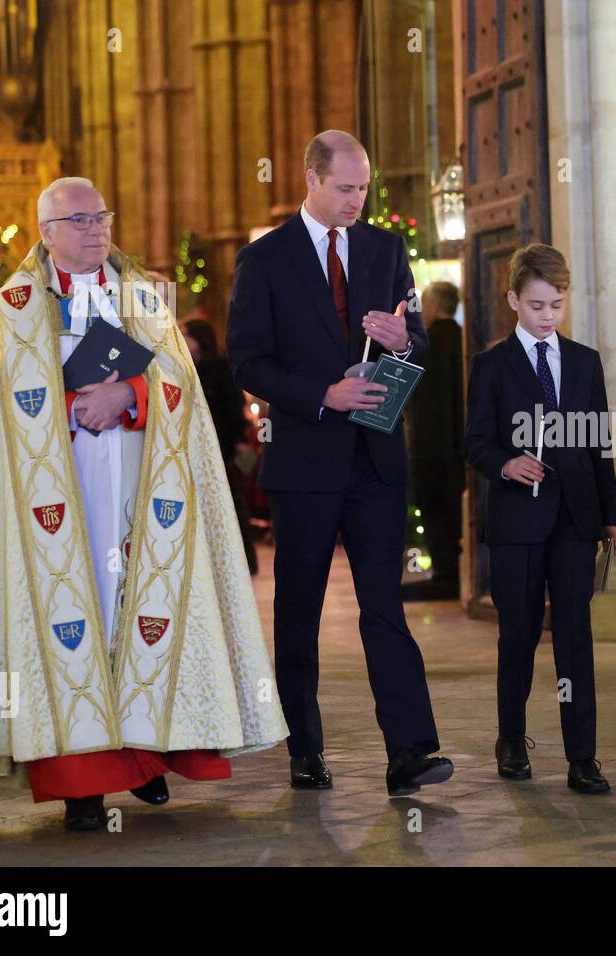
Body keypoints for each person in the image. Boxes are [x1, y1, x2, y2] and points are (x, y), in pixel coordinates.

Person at [0, 177, 286, 831]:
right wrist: (65, 408)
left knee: (137, 621)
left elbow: (182, 390)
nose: (95, 229)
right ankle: (83, 785)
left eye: (101, 216)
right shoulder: (14, 311)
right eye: (79, 219)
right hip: (53, 507)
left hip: (137, 499)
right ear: (46, 231)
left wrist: (129, 399)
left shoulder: (142, 297)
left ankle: (143, 761)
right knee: (68, 632)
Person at [226, 130, 453, 798]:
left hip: (376, 461)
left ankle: (410, 751)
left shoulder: (386, 249)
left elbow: (415, 348)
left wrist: (403, 338)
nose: (358, 200)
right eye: (346, 188)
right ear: (310, 178)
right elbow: (248, 359)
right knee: (298, 611)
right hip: (304, 463)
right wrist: (321, 393)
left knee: (386, 608)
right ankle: (304, 750)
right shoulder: (263, 260)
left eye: (364, 188)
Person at [462, 244, 616, 794]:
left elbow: (600, 444)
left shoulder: (584, 361)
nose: (548, 316)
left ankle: (583, 757)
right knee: (519, 635)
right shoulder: (490, 366)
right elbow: (475, 442)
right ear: (513, 301)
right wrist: (505, 462)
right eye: (536, 306)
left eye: (556, 304)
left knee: (575, 637)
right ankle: (511, 739)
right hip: (516, 524)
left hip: (576, 520)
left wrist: (611, 516)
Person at [404, 281, 465, 600]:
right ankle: (455, 571)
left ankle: (446, 572)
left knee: (434, 509)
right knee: (453, 508)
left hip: (428, 445)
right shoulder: (463, 338)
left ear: (434, 305)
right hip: (459, 444)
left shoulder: (423, 343)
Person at [182, 317, 258, 575]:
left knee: (230, 504)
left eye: (186, 334)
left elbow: (234, 409)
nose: (182, 339)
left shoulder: (220, 367)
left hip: (221, 446)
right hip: (194, 447)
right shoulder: (185, 368)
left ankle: (244, 561)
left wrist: (235, 442)